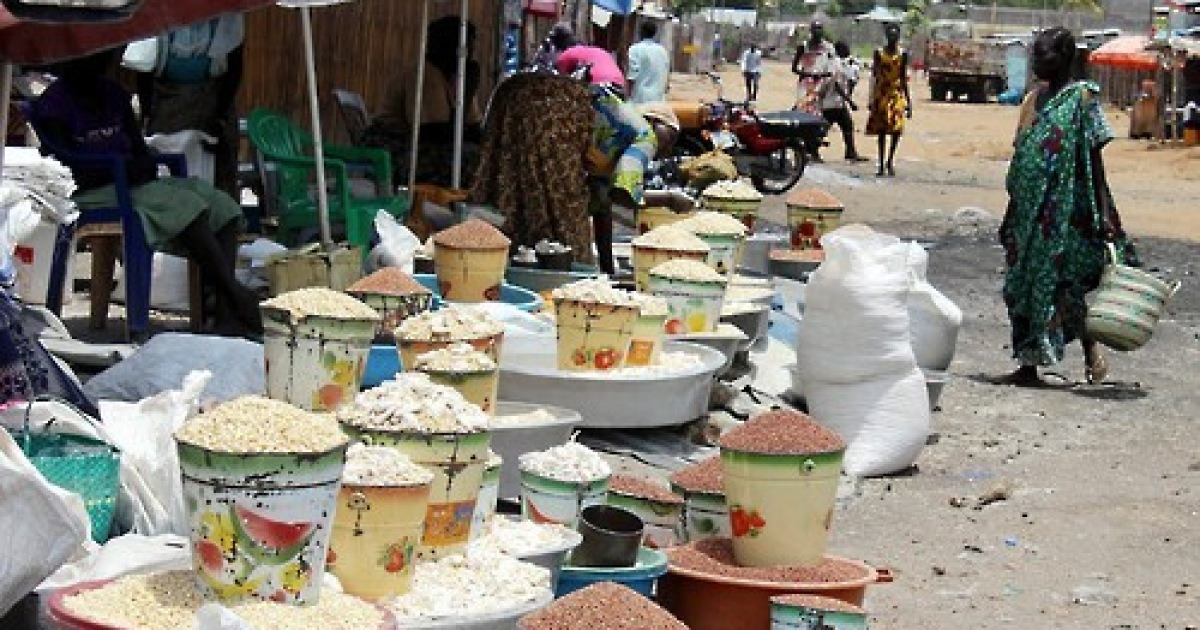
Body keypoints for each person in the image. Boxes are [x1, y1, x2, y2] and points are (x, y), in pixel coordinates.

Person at [31, 50, 260, 337]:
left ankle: (227, 314)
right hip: (89, 190)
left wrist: (141, 165)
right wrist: (121, 170)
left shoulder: (114, 94)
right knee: (186, 205)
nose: (97, 64)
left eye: (102, 59)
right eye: (89, 59)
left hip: (130, 183)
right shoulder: (53, 105)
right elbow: (65, 165)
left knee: (222, 206)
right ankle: (237, 296)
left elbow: (137, 147)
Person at [997, 27, 1136, 388]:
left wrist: (1103, 212)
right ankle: (1027, 364)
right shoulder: (1032, 100)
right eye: (1035, 54)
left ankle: (1090, 349)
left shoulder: (1082, 99)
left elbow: (1094, 157)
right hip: (1027, 211)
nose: (1036, 62)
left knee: (1065, 286)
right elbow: (1022, 154)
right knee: (1021, 283)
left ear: (1064, 58)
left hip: (1064, 213)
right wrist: (1011, 211)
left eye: (1043, 55)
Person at [470, 74, 654, 275]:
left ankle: (498, 266)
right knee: (562, 216)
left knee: (512, 190)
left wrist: (607, 270)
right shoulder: (641, 141)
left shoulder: (615, 130)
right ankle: (552, 273)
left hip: (510, 95)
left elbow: (602, 205)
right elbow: (618, 196)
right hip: (554, 109)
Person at [129, 13, 244, 199]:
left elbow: (235, 65)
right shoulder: (157, 13)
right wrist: (147, 113)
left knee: (219, 170)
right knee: (167, 173)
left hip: (214, 97)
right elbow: (144, 70)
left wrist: (220, 116)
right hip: (166, 99)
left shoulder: (226, 15)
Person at [363, 16, 482, 188]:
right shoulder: (425, 75)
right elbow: (435, 135)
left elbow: (474, 128)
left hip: (419, 145)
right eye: (467, 47)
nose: (470, 53)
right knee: (470, 160)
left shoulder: (456, 76)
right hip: (392, 149)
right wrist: (468, 92)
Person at [865, 23, 912, 177]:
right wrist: (871, 98)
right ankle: (881, 163)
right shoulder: (879, 53)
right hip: (881, 93)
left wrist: (909, 102)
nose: (893, 37)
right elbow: (874, 76)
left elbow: (903, 77)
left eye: (895, 34)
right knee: (882, 130)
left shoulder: (903, 54)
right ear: (887, 36)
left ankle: (890, 160)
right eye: (890, 34)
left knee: (897, 128)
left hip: (896, 93)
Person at [791, 20, 837, 161]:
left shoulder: (828, 48)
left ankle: (813, 150)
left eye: (820, 29)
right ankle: (804, 150)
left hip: (820, 86)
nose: (817, 31)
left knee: (817, 119)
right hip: (805, 86)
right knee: (804, 117)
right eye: (815, 29)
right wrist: (808, 74)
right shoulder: (803, 46)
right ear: (811, 30)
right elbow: (794, 68)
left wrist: (823, 76)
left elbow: (832, 68)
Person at [553, 25, 627, 98]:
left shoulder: (566, 54)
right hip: (620, 85)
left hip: (599, 86)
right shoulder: (599, 50)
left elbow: (560, 82)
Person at [822, 42, 867, 162]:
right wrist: (850, 101)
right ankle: (812, 150)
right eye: (846, 49)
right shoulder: (836, 63)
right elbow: (837, 85)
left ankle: (850, 152)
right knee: (840, 126)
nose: (848, 51)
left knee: (845, 126)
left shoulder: (837, 63)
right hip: (834, 102)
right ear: (840, 50)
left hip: (834, 102)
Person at [626, 21, 671, 104]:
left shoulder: (635, 49)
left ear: (641, 32)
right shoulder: (662, 51)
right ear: (655, 33)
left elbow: (632, 76)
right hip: (658, 100)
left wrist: (627, 96)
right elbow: (667, 77)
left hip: (639, 100)